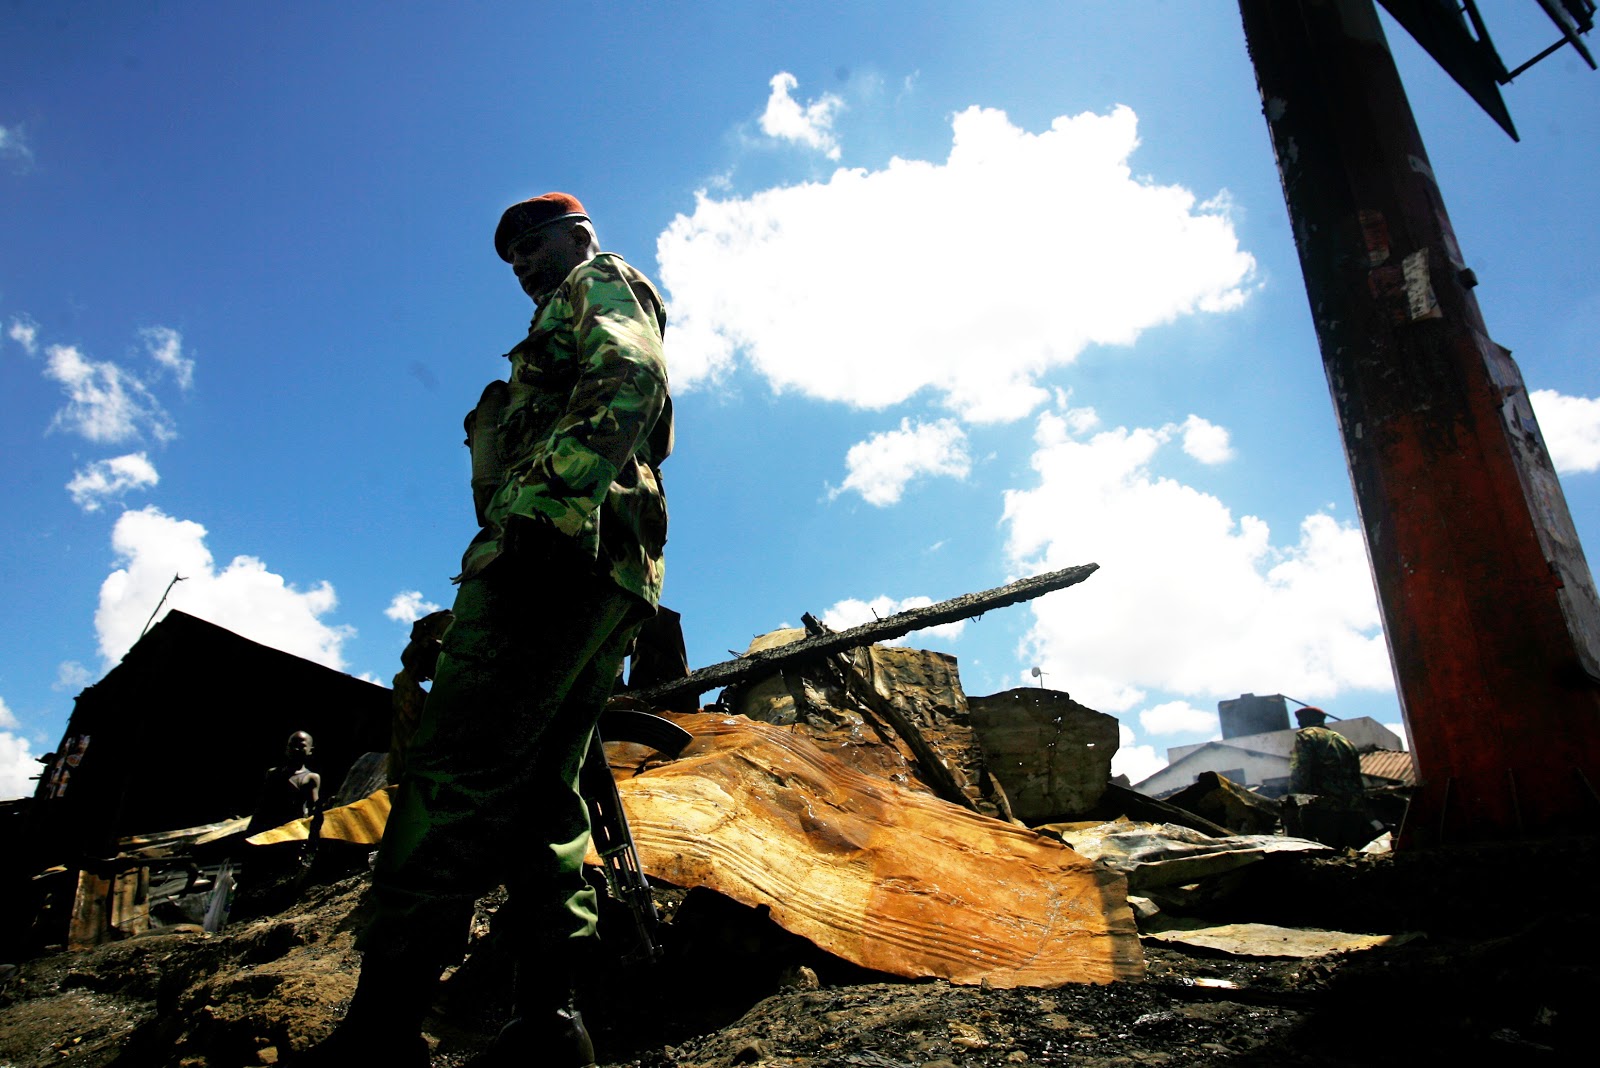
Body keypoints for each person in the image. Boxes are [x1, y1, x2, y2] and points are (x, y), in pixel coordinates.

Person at [298, 193, 671, 1068]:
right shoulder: (564, 311)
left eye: (531, 249)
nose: (524, 269)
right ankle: (548, 1026)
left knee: (449, 779)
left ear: (574, 234)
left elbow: (630, 374)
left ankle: (381, 1035)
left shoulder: (598, 281)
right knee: (546, 797)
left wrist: (545, 509)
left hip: (555, 560)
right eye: (511, 263)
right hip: (595, 567)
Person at [247, 731, 321, 835]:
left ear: (310, 750)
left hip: (293, 832)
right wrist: (251, 832)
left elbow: (314, 810)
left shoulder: (311, 778)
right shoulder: (273, 774)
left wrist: (312, 836)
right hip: (269, 829)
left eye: (301, 746)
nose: (296, 749)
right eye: (292, 745)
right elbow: (261, 806)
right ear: (286, 748)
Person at [1288, 707, 1363, 798]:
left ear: (1304, 721)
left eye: (1300, 721)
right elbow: (1357, 777)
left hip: (1322, 801)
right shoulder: (1345, 741)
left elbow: (1301, 769)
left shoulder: (1307, 735)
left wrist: (1293, 798)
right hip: (1351, 802)